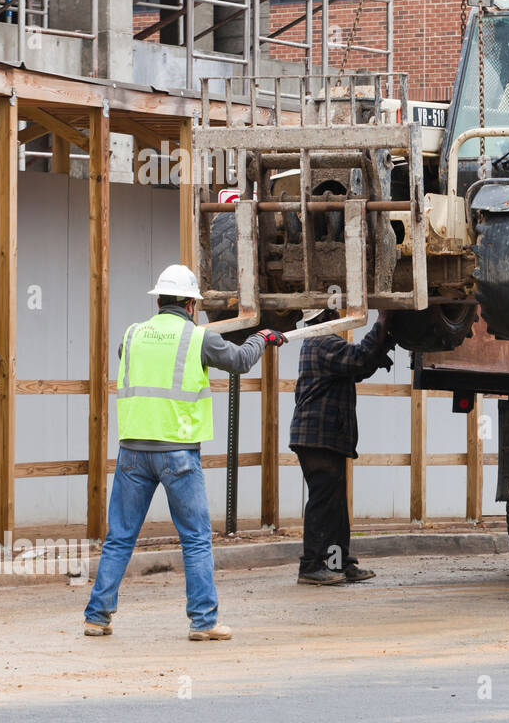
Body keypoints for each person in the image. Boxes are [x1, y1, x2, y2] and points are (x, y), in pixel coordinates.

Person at [84, 265, 286, 640]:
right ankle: (203, 622)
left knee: (119, 537)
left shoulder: (130, 336)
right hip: (177, 453)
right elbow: (240, 361)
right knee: (194, 539)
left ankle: (97, 616)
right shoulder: (198, 339)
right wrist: (263, 337)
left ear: (159, 301)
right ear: (192, 305)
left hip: (132, 452)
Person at [290, 310, 394, 585]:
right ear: (324, 316)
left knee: (334, 504)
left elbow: (355, 367)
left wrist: (380, 347)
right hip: (317, 437)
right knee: (323, 502)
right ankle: (311, 566)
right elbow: (358, 358)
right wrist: (382, 322)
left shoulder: (320, 342)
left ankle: (337, 563)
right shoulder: (322, 341)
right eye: (334, 312)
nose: (339, 315)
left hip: (323, 437)